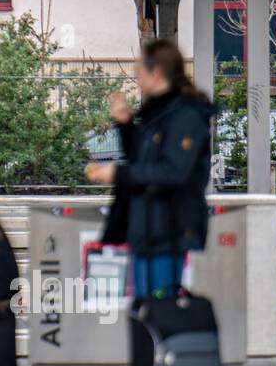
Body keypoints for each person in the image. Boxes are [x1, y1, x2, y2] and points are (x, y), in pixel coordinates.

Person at [85, 39, 214, 297]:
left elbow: (173, 171)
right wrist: (125, 125)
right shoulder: (158, 113)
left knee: (161, 308)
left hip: (168, 229)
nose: (138, 80)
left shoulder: (185, 115)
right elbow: (143, 160)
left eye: (140, 74)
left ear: (156, 73)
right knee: (145, 311)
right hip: (147, 227)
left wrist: (117, 173)